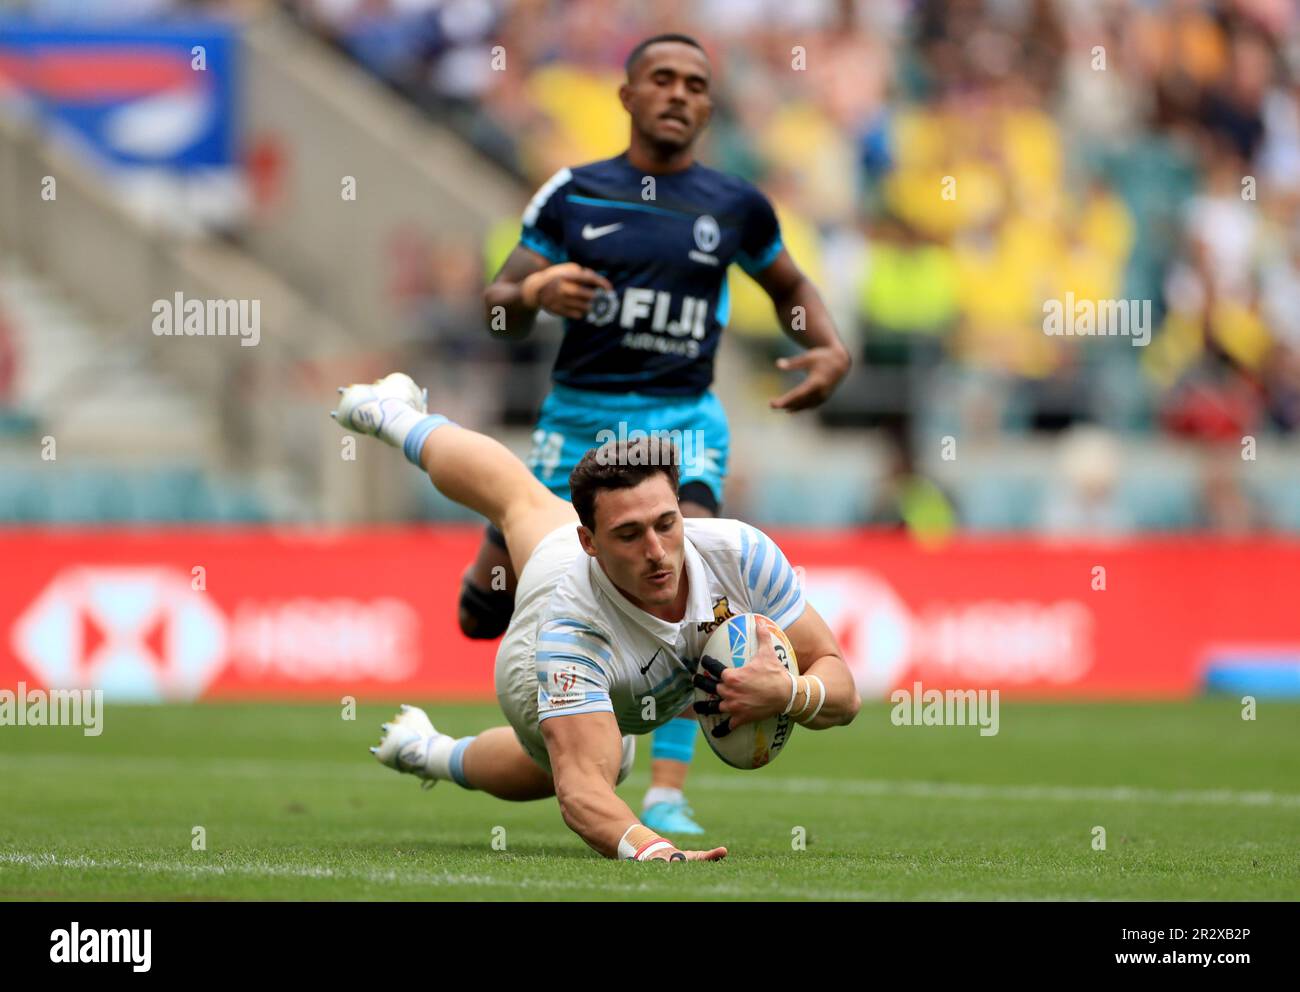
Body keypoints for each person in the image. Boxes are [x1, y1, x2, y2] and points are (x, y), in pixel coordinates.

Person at [466, 32, 852, 834]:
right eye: (662, 79)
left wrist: (827, 343)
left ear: (710, 104)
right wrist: (535, 288)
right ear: (629, 95)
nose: (679, 93)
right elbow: (496, 311)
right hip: (578, 416)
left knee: (688, 568)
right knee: (483, 608)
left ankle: (667, 788)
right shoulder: (574, 195)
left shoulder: (735, 205)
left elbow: (789, 284)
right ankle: (557, 725)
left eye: (696, 84)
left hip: (681, 421)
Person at [332, 372, 861, 861]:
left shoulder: (741, 552)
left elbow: (840, 683)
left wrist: (792, 694)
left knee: (516, 496)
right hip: (536, 642)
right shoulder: (569, 635)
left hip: (579, 566)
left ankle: (390, 414)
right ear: (590, 540)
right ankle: (432, 753)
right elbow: (582, 795)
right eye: (631, 534)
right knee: (600, 763)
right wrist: (657, 853)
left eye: (666, 523)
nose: (657, 551)